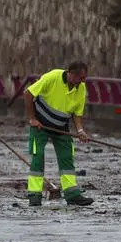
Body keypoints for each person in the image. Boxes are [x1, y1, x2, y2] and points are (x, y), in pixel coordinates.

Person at [24, 61, 94, 207]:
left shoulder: (80, 88)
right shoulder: (52, 77)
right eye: (80, 78)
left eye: (84, 78)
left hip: (61, 127)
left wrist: (80, 131)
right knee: (38, 157)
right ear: (70, 73)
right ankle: (34, 196)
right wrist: (32, 119)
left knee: (67, 157)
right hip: (40, 125)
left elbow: (77, 113)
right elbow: (28, 93)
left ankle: (72, 194)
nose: (82, 81)